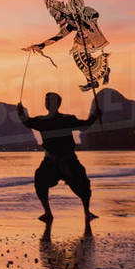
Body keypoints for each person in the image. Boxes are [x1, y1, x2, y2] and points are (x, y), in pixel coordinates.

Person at [16, 92, 100, 222]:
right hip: (51, 161)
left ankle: (87, 212)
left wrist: (94, 116)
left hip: (68, 160)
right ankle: (48, 213)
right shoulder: (43, 121)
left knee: (83, 183)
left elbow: (84, 126)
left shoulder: (65, 119)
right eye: (47, 101)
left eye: (49, 101)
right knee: (39, 180)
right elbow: (27, 122)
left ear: (56, 104)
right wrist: (21, 112)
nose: (47, 103)